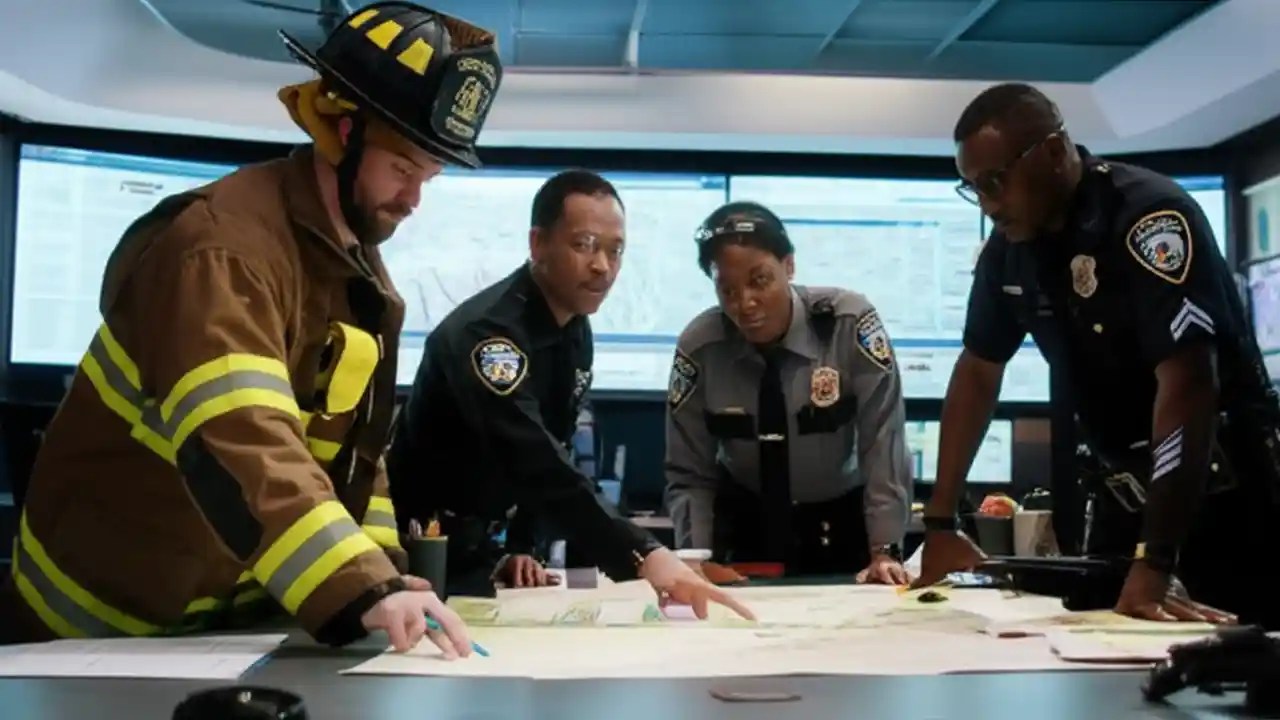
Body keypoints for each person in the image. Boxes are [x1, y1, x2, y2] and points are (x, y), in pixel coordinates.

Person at [0, 3, 504, 656]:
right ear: (339, 129)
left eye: (427, 177)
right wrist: (364, 587)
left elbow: (357, 458)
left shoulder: (352, 269)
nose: (414, 199)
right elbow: (244, 437)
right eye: (403, 169)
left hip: (213, 630)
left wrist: (383, 566)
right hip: (91, 631)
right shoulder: (220, 249)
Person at [913, 82, 1280, 629]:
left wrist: (1157, 559)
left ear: (1055, 152)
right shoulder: (1009, 252)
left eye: (995, 182)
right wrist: (940, 523)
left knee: (1234, 682)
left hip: (1223, 503)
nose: (988, 204)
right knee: (1107, 672)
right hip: (1122, 502)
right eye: (973, 189)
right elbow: (978, 371)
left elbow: (1188, 384)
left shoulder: (1148, 219)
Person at [387, 170, 754, 620]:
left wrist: (520, 549)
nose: (602, 265)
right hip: (418, 549)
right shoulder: (489, 337)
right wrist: (645, 555)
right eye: (584, 245)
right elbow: (533, 458)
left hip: (483, 552)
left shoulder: (574, 329)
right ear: (538, 244)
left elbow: (554, 441)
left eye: (615, 250)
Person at [664, 202, 912, 584]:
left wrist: (885, 549)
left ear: (789, 266)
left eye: (759, 280)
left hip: (842, 522)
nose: (744, 303)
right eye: (727, 289)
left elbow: (884, 441)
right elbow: (689, 470)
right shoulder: (701, 350)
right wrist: (695, 560)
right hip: (745, 528)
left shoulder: (847, 325)